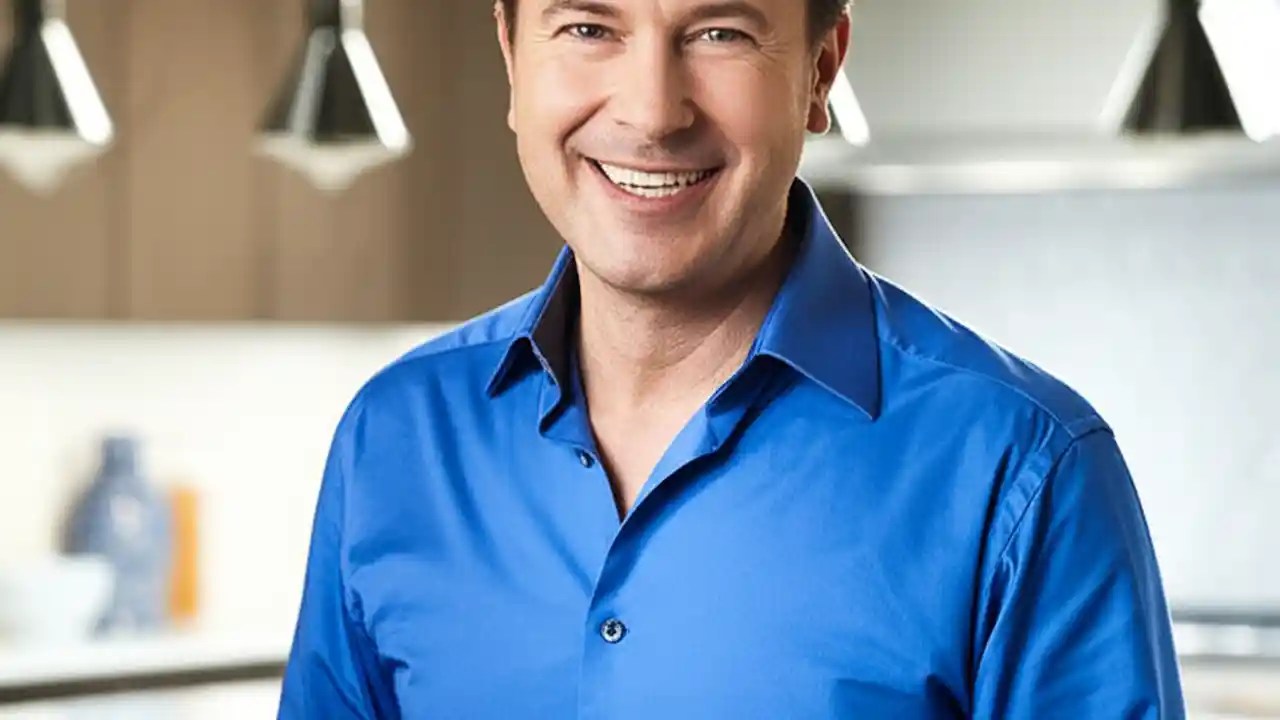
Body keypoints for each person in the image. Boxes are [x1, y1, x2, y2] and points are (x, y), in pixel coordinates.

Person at [277, 0, 1186, 717]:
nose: (650, 111)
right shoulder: (393, 438)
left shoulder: (1022, 470)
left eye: (719, 31)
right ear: (513, 57)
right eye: (589, 27)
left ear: (820, 69)